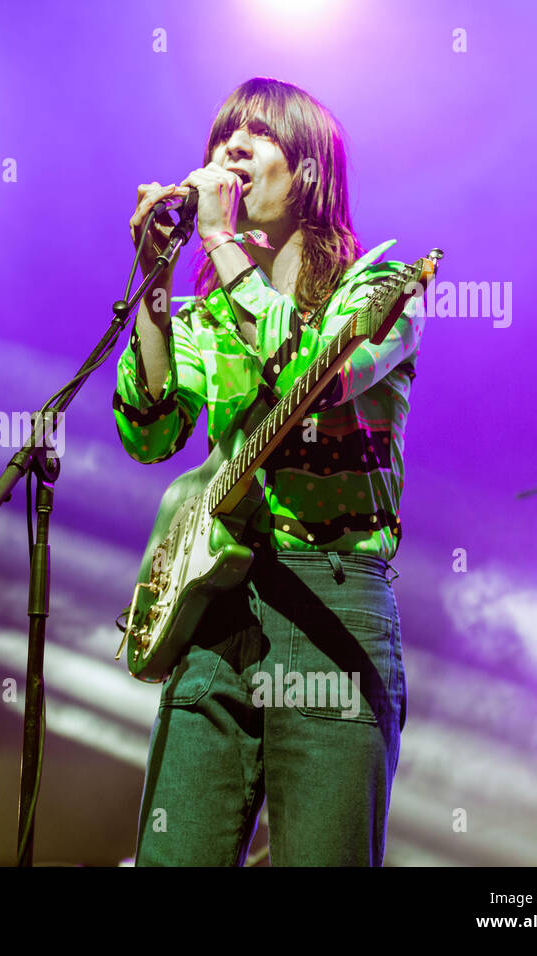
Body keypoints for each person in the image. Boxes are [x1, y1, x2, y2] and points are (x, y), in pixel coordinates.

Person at [114, 77, 422, 866]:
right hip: (216, 611)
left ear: (311, 173)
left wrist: (218, 244)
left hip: (332, 604)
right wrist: (154, 281)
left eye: (256, 135)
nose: (230, 149)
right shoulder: (209, 318)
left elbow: (314, 372)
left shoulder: (382, 290)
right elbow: (151, 431)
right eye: (222, 137)